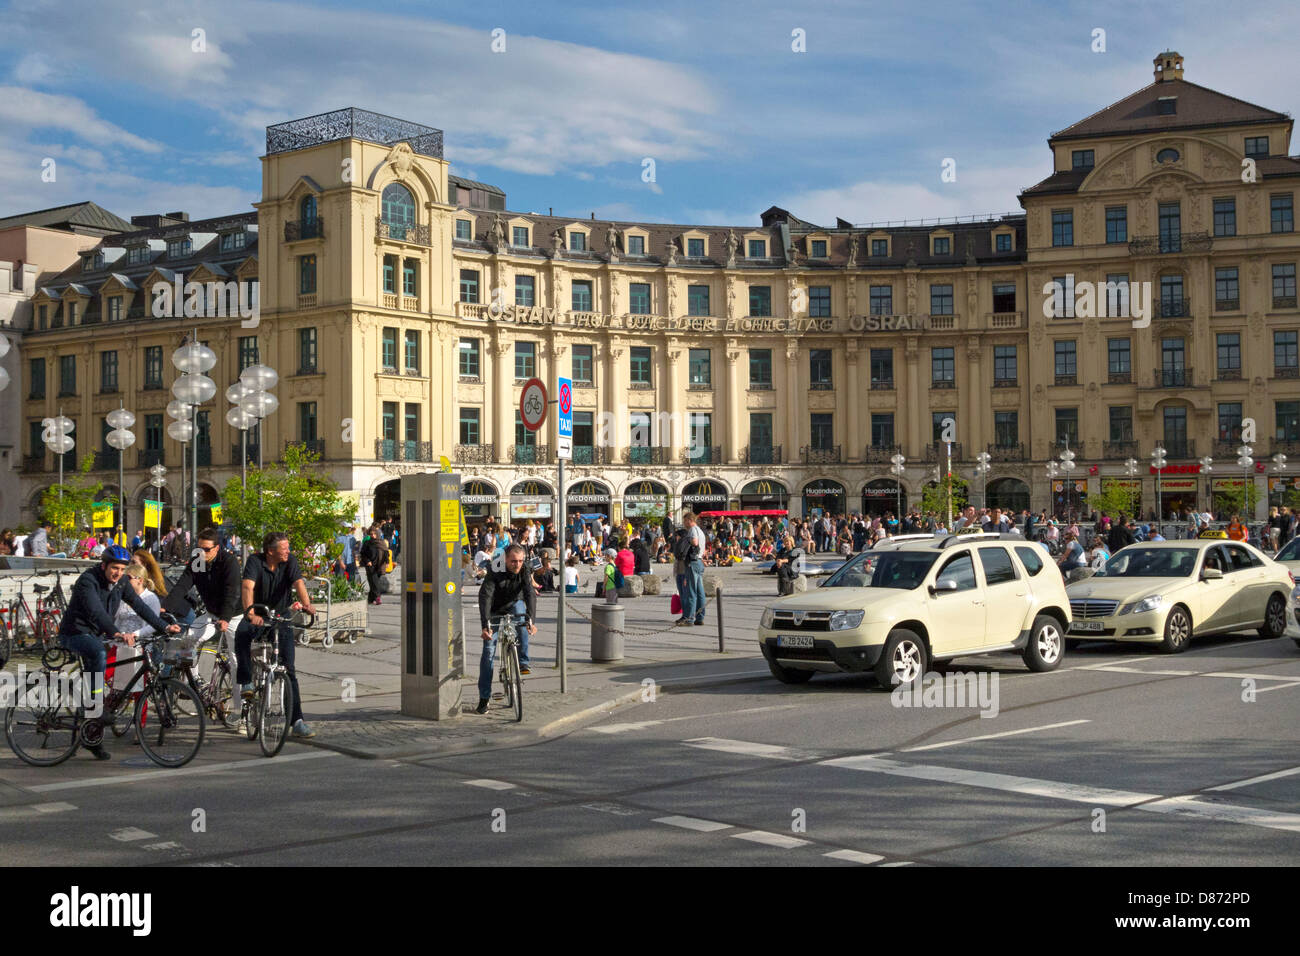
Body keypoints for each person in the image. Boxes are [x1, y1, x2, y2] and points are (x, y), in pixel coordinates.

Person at [56, 545, 181, 760]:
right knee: (99, 654)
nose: (118, 573)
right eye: (114, 568)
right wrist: (116, 633)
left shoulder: (121, 582)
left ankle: (92, 738)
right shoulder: (88, 581)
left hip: (94, 635)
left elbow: (140, 606)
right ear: (103, 565)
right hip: (74, 633)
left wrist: (164, 627)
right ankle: (95, 707)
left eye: (123, 570)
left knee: (100, 661)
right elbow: (96, 612)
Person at [236, 531, 318, 739]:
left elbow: (299, 583)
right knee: (242, 634)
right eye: (284, 548)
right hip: (258, 613)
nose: (288, 551)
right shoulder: (255, 561)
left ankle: (297, 721)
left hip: (280, 616)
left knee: (289, 668)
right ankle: (246, 681)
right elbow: (247, 586)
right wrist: (250, 613)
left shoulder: (289, 561)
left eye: (288, 548)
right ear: (271, 551)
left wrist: (307, 604)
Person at [475, 544, 537, 714]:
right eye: (513, 561)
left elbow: (530, 593)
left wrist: (531, 620)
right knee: (488, 651)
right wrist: (485, 625)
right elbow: (485, 596)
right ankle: (484, 698)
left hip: (513, 603)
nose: (517, 564)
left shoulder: (524, 569)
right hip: (494, 607)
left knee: (522, 615)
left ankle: (523, 662)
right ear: (505, 560)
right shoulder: (495, 570)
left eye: (520, 561)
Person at [163, 527, 242, 637]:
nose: (202, 553)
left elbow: (232, 592)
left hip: (233, 615)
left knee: (235, 653)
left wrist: (225, 618)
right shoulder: (197, 562)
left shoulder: (228, 562)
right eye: (199, 548)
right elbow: (182, 586)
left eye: (207, 549)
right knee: (189, 639)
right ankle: (192, 654)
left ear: (217, 548)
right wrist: (166, 607)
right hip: (211, 613)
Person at [676, 511, 707, 626]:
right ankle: (700, 616)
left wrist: (686, 541)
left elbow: (694, 541)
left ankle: (689, 618)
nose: (684, 524)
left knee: (691, 591)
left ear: (690, 520)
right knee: (700, 591)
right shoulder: (701, 531)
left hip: (692, 563)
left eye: (685, 521)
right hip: (699, 562)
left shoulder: (693, 530)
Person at [359, 524, 385, 605]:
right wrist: (367, 561)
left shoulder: (381, 542)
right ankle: (378, 598)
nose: (373, 535)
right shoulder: (367, 543)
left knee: (373, 583)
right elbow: (362, 554)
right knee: (374, 582)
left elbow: (386, 552)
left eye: (374, 534)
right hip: (370, 565)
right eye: (371, 534)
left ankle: (370, 599)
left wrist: (387, 562)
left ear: (377, 533)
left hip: (379, 565)